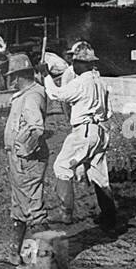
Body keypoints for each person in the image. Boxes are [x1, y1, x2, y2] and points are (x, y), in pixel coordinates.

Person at [44, 42, 116, 231]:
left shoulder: (82, 82)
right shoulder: (101, 82)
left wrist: (46, 77)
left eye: (74, 61)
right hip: (101, 130)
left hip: (84, 131)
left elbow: (56, 94)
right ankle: (109, 217)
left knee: (62, 167)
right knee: (100, 176)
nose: (72, 64)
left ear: (82, 63)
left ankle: (65, 214)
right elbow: (108, 112)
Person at [0, 53, 49, 269]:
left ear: (19, 76)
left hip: (27, 160)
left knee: (33, 208)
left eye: (12, 76)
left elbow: (37, 128)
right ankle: (14, 253)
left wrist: (24, 150)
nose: (10, 80)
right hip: (19, 159)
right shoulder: (26, 93)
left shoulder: (32, 96)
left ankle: (42, 263)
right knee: (19, 206)